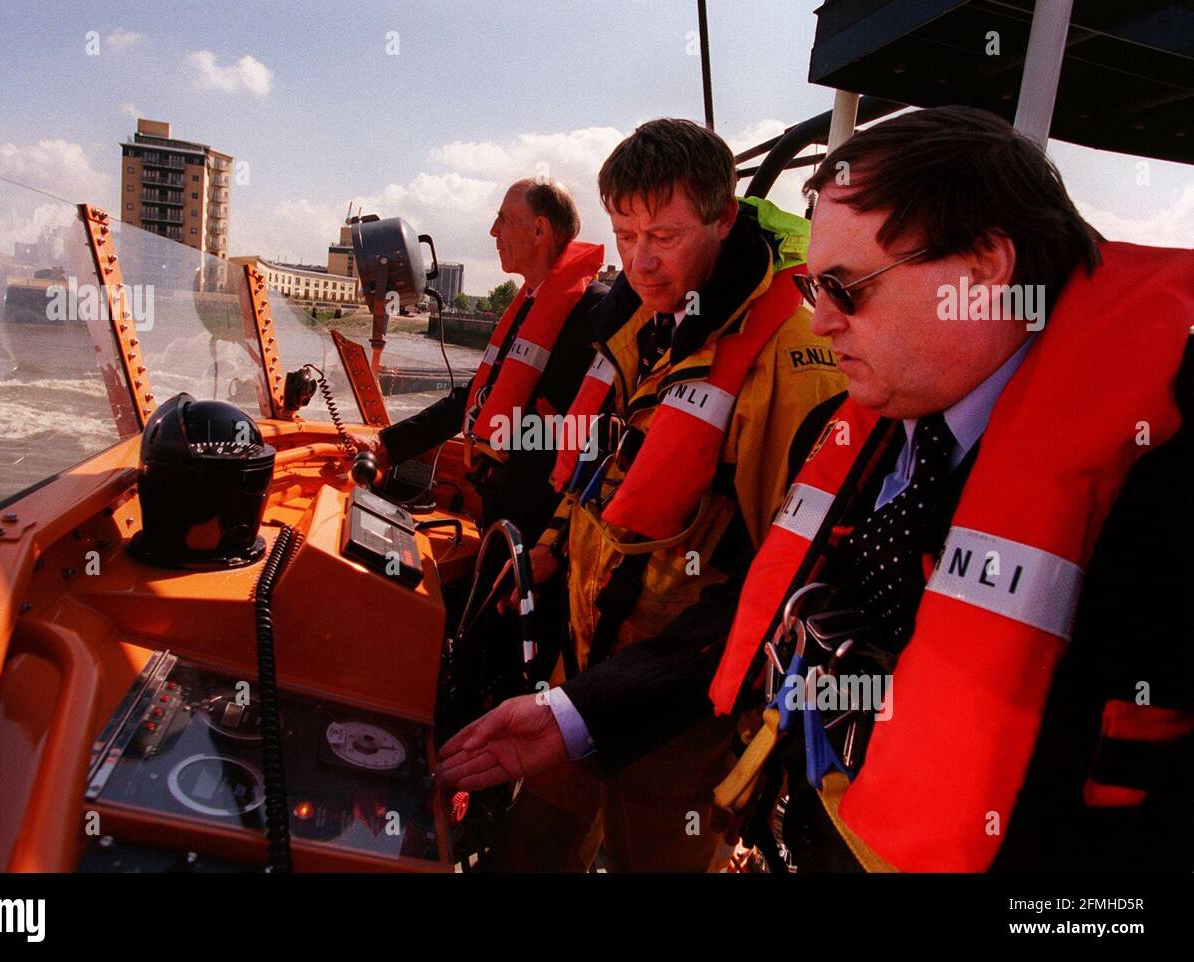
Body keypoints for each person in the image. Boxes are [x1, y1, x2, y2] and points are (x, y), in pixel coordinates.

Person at [440, 105, 1194, 872]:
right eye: (812, 284)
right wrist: (573, 714)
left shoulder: (1163, 490)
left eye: (847, 286)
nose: (822, 318)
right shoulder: (848, 429)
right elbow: (762, 604)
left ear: (985, 267)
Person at [439, 118, 845, 872]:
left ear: (725, 219)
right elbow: (602, 475)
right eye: (625, 236)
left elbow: (783, 588)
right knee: (525, 857)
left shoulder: (793, 365)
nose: (641, 262)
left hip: (680, 722)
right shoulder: (637, 330)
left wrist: (599, 700)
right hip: (583, 673)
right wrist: (552, 549)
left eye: (664, 235)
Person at [366, 178, 608, 545]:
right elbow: (474, 399)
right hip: (499, 507)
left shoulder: (596, 311)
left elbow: (594, 436)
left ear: (540, 229)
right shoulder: (529, 303)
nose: (493, 231)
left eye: (504, 220)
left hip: (542, 527)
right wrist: (387, 445)